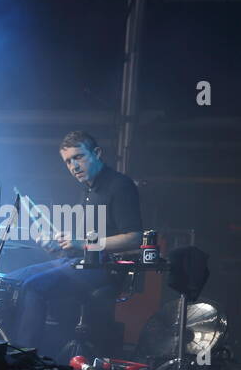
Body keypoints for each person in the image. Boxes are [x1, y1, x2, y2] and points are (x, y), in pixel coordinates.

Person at [9, 131, 143, 356]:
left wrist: (82, 244)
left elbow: (134, 238)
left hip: (107, 268)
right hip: (82, 263)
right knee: (11, 281)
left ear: (97, 153)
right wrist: (59, 245)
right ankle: (3, 350)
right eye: (68, 161)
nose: (74, 166)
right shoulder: (88, 191)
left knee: (33, 286)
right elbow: (83, 241)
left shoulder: (120, 185)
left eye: (78, 157)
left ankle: (22, 360)